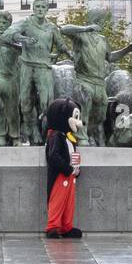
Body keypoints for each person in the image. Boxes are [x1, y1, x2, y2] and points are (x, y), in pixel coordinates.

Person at [44, 98, 83, 238]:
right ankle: (53, 226)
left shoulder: (70, 138)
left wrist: (76, 169)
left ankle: (67, 226)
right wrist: (68, 169)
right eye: (75, 117)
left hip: (71, 176)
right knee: (58, 201)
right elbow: (53, 156)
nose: (78, 122)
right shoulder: (56, 136)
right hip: (61, 175)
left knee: (69, 203)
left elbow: (73, 155)